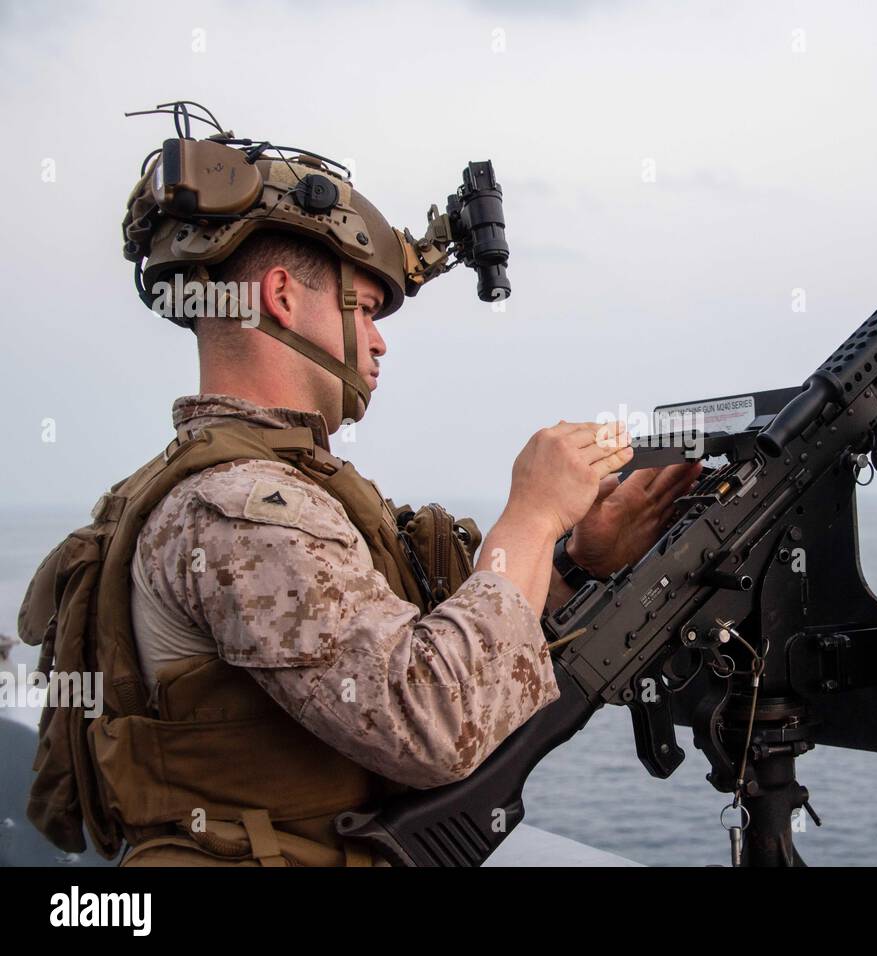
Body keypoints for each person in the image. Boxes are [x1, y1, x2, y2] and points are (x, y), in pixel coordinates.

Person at [18, 113, 699, 866]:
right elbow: (437, 722)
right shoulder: (243, 512)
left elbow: (427, 644)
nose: (379, 341)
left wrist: (573, 561)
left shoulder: (247, 488)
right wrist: (534, 518)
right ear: (281, 297)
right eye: (367, 310)